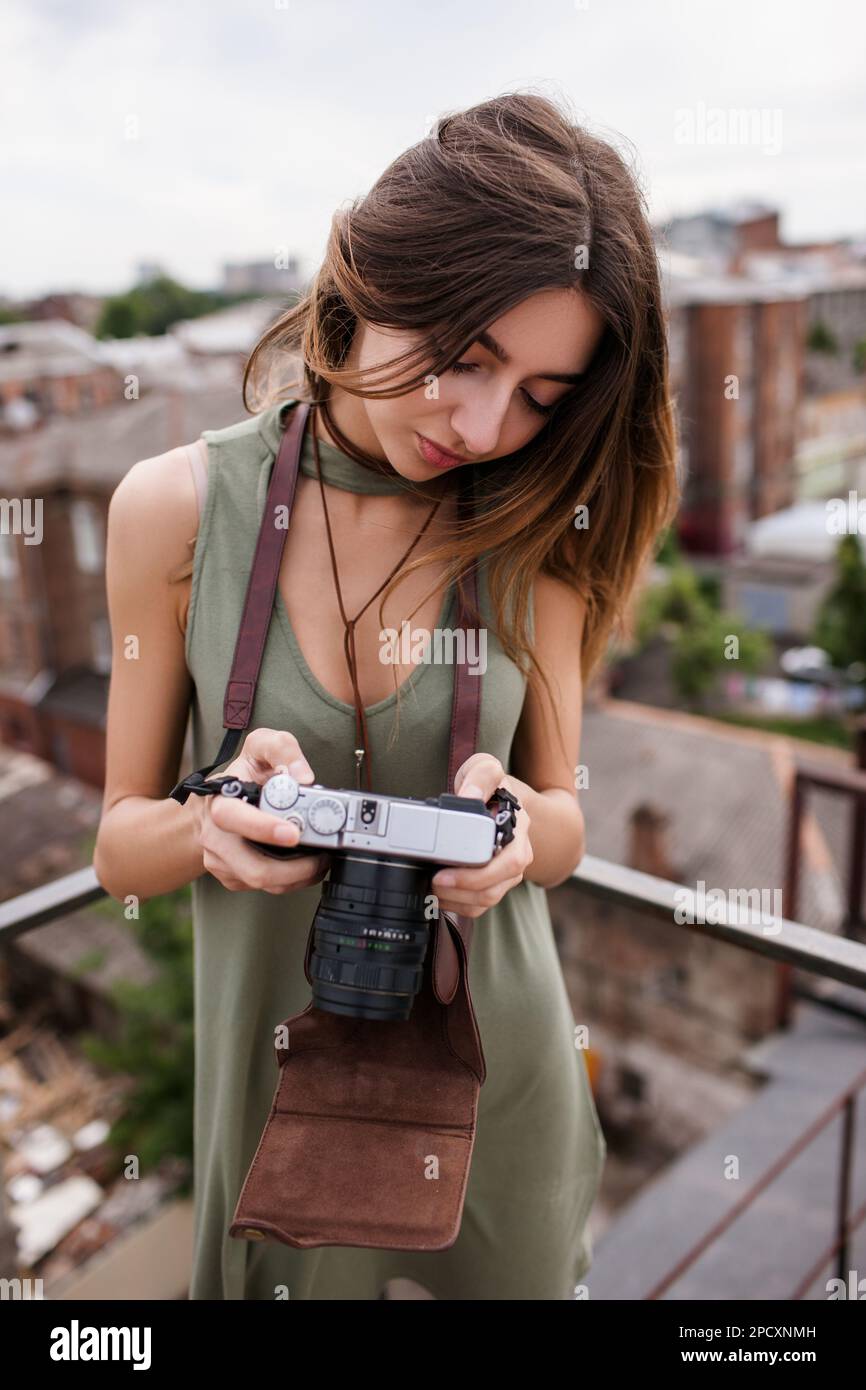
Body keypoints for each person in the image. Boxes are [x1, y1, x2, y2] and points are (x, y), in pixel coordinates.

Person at [94, 91, 678, 1300]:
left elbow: (561, 824)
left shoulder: (529, 523)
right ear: (372, 276)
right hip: (279, 1089)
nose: (481, 425)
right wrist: (211, 822)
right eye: (464, 358)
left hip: (491, 1075)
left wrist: (511, 833)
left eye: (537, 395)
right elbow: (115, 843)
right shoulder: (172, 509)